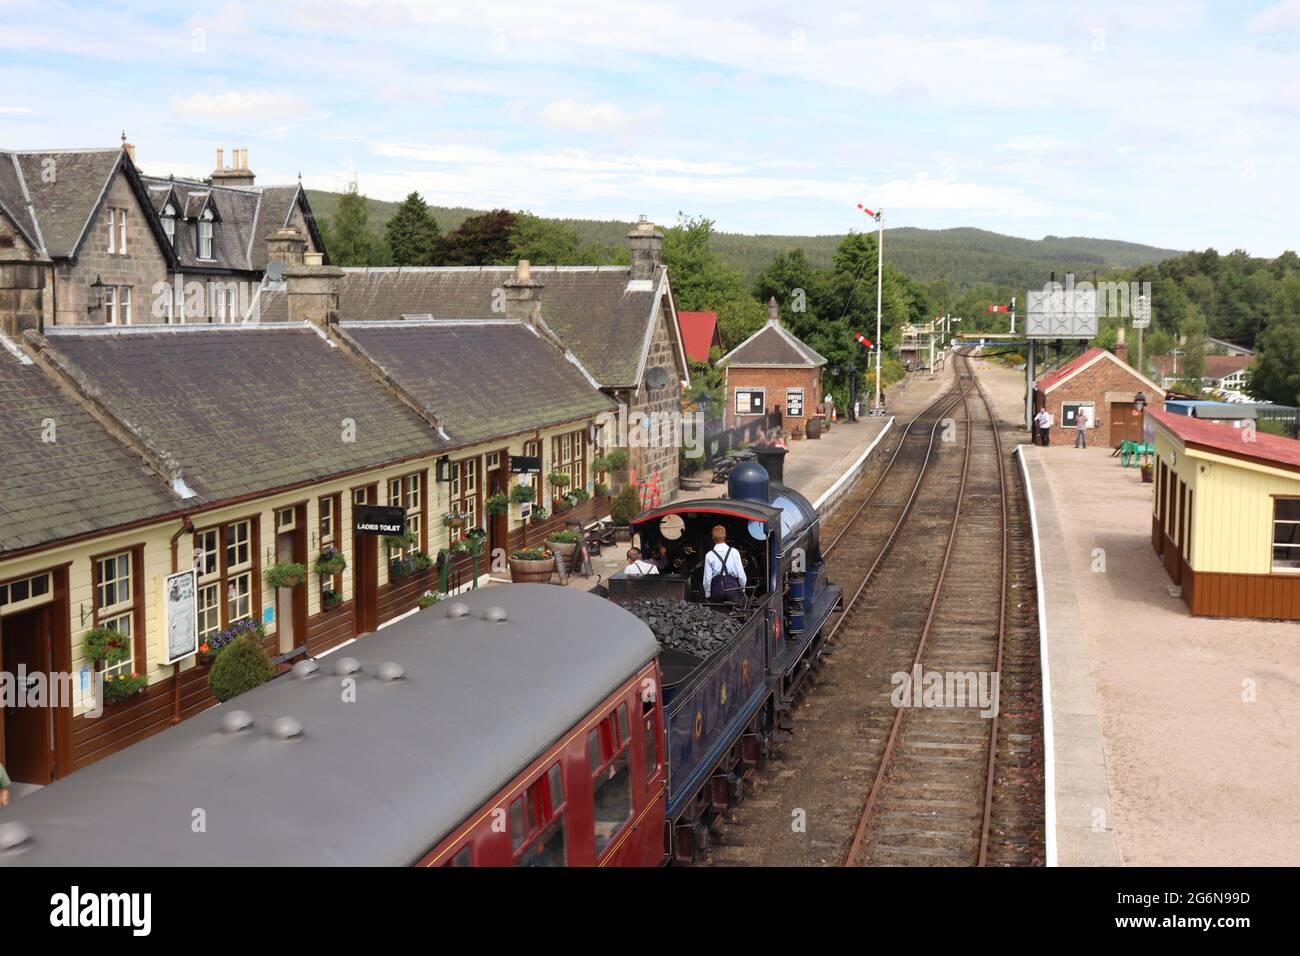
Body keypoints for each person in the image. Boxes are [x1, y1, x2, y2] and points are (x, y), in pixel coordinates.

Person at [702, 525, 746, 600]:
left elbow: (707, 578)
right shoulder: (734, 552)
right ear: (725, 536)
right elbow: (741, 575)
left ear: (713, 538)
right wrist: (742, 589)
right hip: (733, 591)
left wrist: (707, 594)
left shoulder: (709, 555)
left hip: (717, 592)